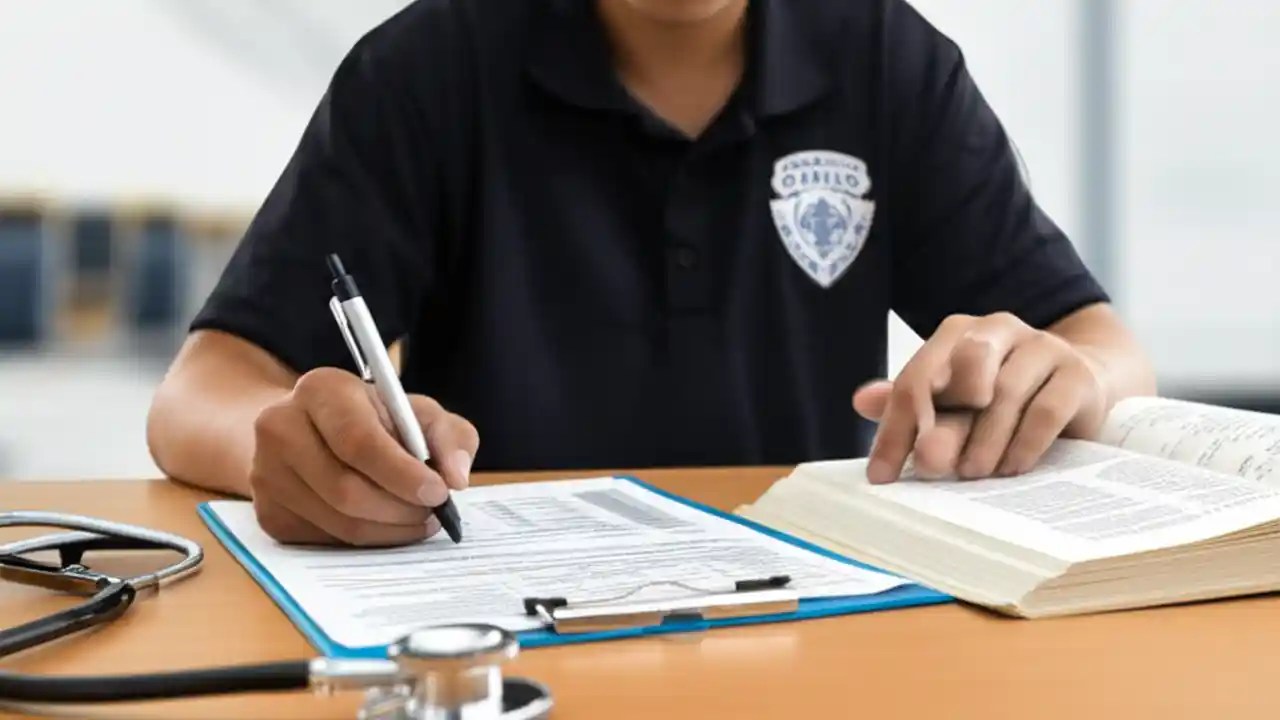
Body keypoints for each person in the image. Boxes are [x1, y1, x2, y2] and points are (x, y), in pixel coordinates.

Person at [147, 0, 1155, 547]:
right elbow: (204, 390)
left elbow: (1098, 348)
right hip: (502, 610)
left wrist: (1056, 374)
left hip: (815, 606)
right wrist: (289, 453)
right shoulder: (426, 67)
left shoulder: (886, 56)